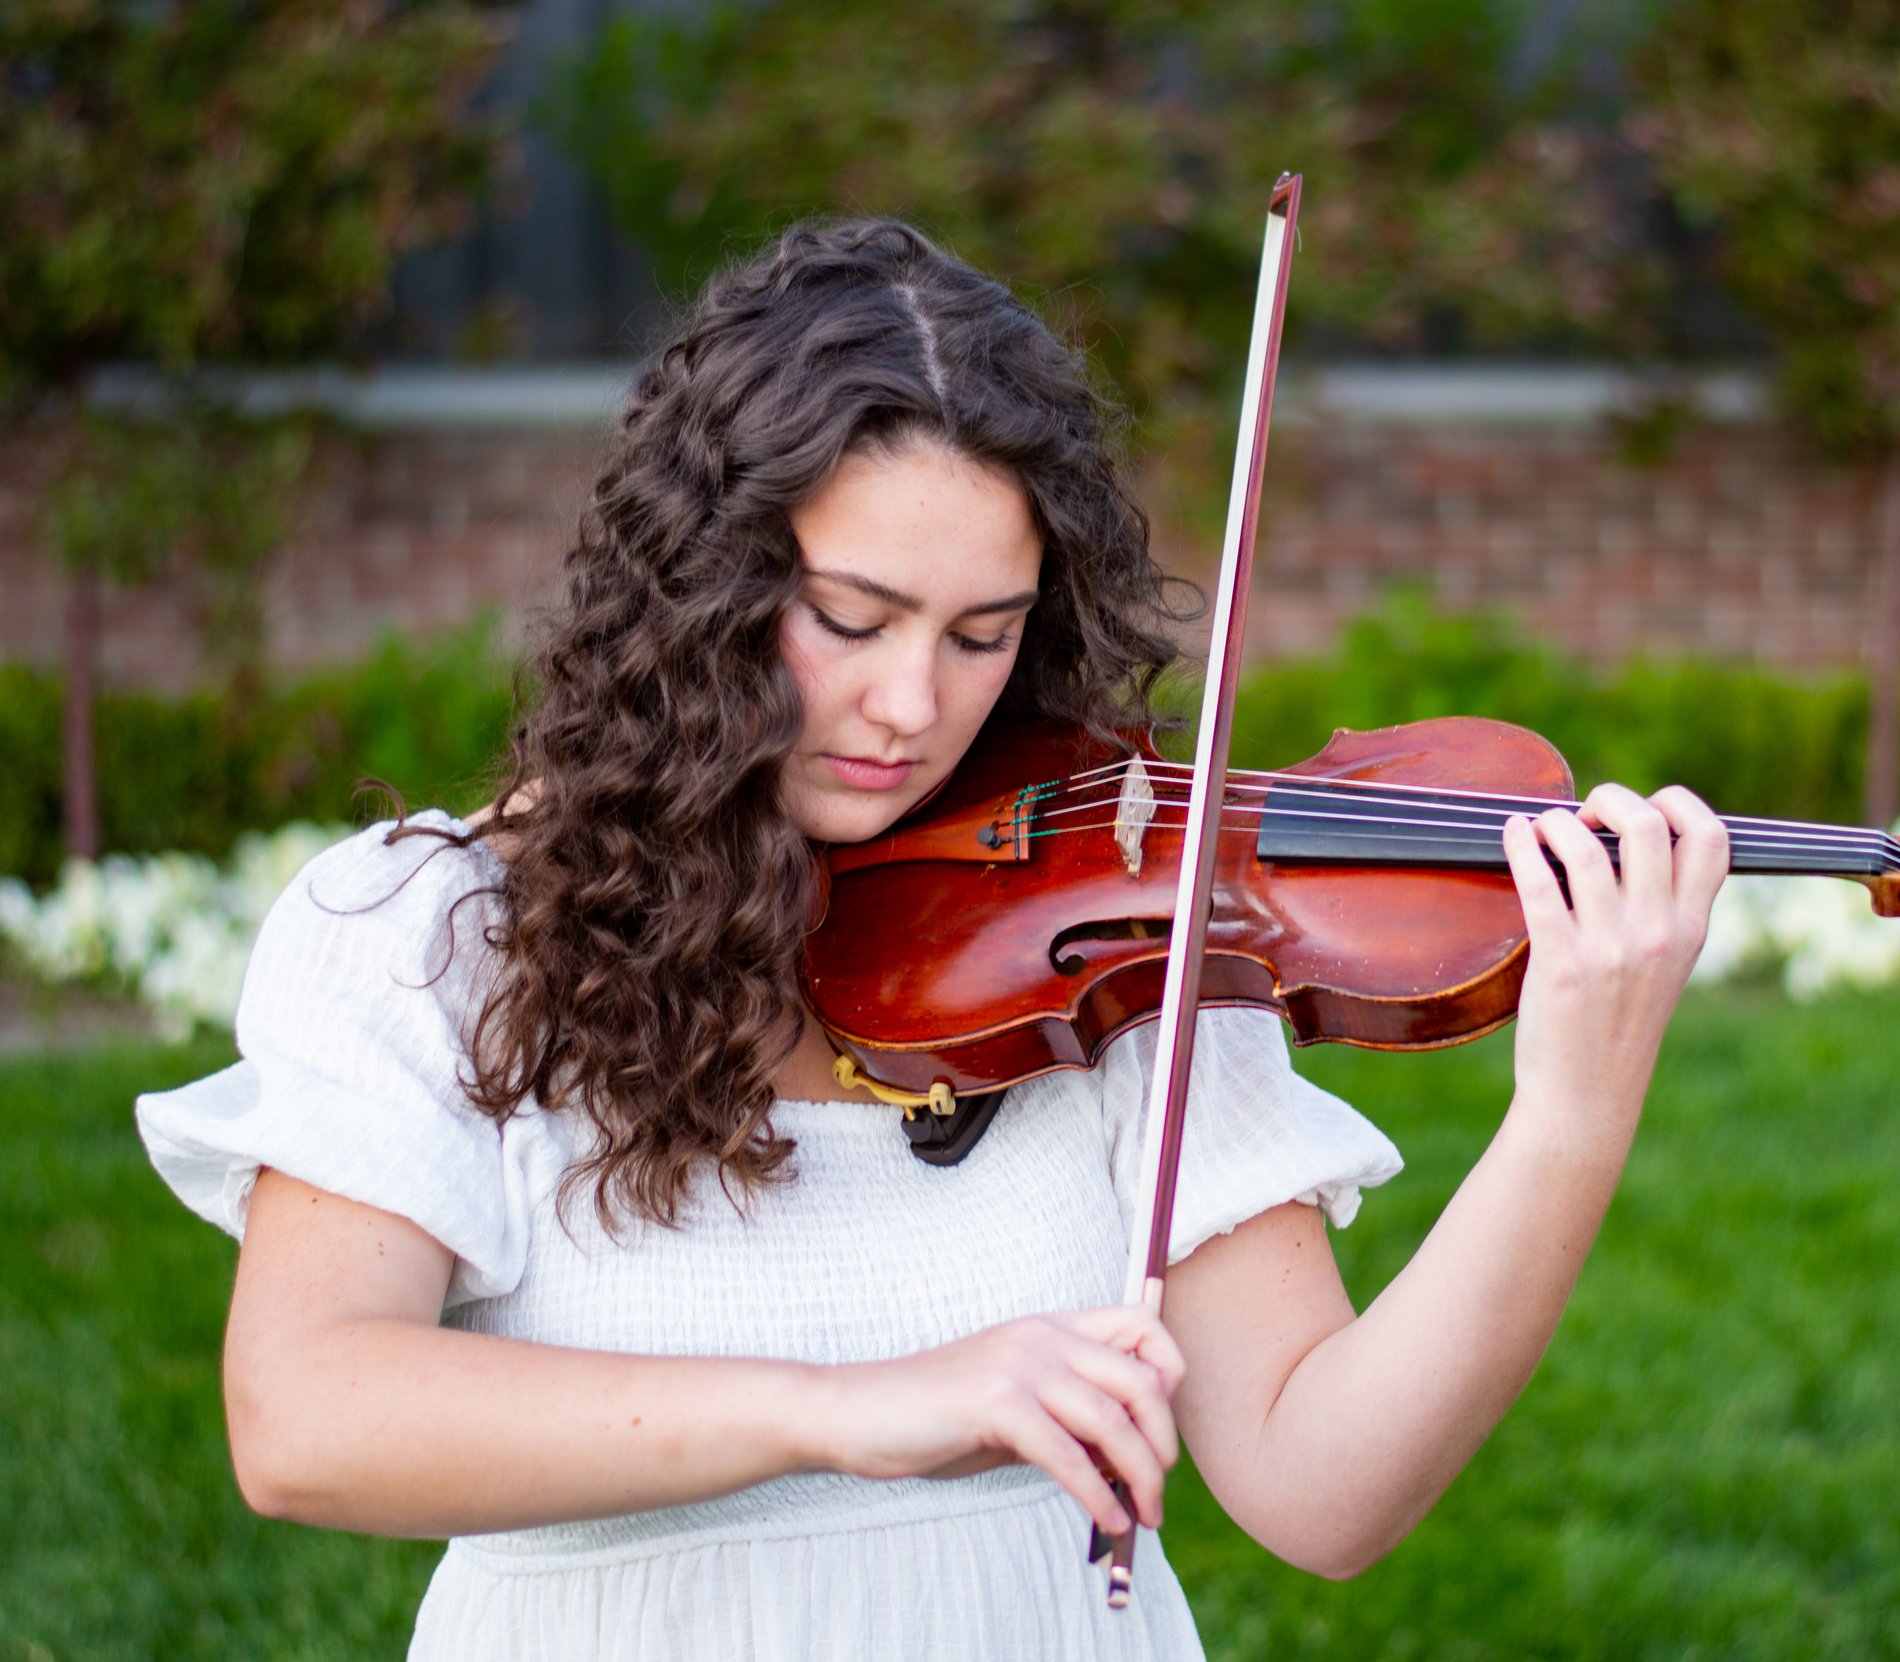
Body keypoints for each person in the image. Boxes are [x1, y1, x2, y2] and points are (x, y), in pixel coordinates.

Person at [136, 219, 1729, 1660]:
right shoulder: (440, 929)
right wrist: (855, 1410)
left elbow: (1326, 1489)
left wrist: (1569, 1117)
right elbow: (304, 1414)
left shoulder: (1117, 927)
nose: (913, 708)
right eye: (849, 618)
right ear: (700, 583)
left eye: (984, 634)